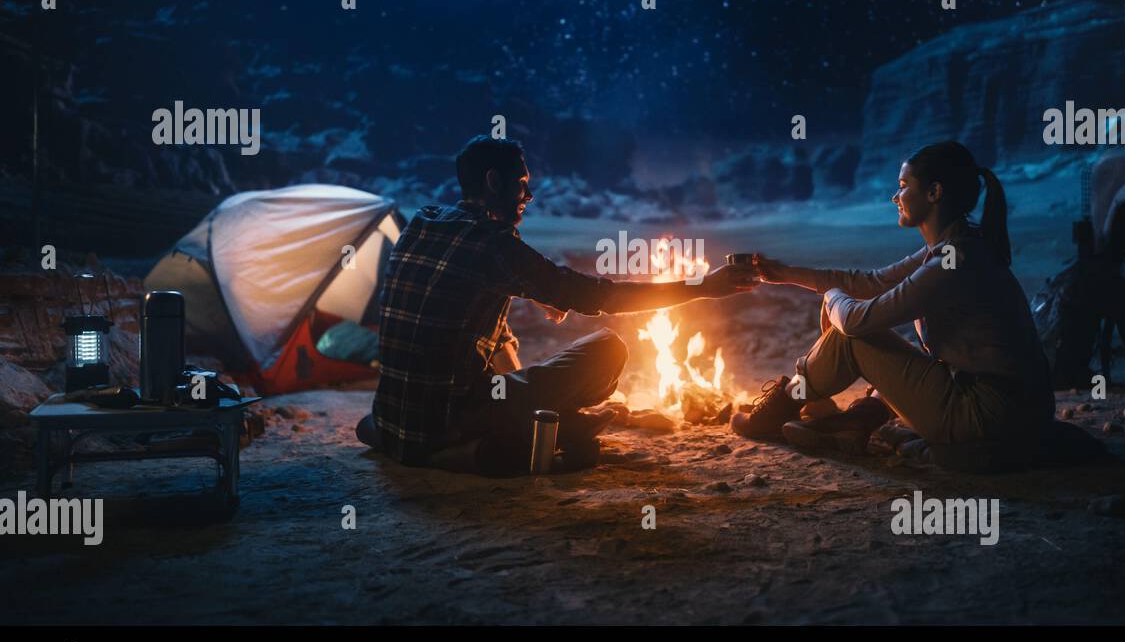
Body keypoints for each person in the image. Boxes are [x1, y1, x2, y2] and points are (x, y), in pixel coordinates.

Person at [356, 134, 755, 476]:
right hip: (449, 418)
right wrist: (705, 286)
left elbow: (466, 299)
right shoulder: (494, 243)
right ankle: (506, 439)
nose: (528, 196)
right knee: (607, 349)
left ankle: (513, 430)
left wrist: (538, 292)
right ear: (494, 182)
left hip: (391, 420)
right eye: (522, 183)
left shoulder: (421, 222)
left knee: (494, 328)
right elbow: (600, 296)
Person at [731, 141, 1059, 473]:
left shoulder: (954, 260)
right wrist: (783, 273)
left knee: (851, 338)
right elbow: (871, 282)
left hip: (987, 415)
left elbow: (857, 322)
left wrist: (831, 297)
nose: (895, 197)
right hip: (1012, 410)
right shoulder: (954, 247)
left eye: (903, 187)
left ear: (933, 193)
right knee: (862, 324)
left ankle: (777, 411)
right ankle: (855, 421)